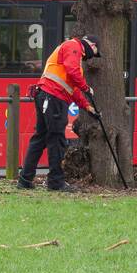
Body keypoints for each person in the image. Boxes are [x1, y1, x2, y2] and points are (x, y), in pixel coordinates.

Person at [19, 35, 100, 192]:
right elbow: (73, 72)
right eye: (95, 52)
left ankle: (25, 179)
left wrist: (88, 107)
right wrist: (86, 87)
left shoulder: (70, 50)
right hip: (54, 97)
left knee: (40, 138)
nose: (92, 57)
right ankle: (55, 182)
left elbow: (72, 88)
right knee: (56, 140)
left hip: (47, 95)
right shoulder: (74, 46)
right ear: (92, 45)